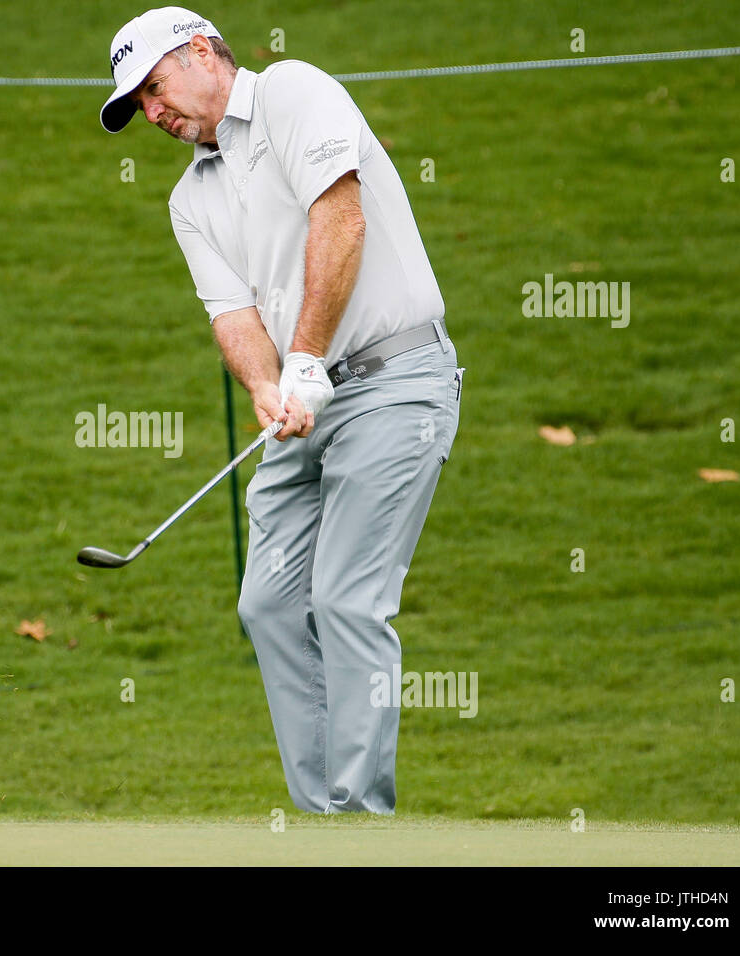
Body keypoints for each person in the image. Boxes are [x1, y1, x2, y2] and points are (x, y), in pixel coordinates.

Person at [98, 7, 464, 814]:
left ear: (201, 52)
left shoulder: (295, 92)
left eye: (155, 89)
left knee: (344, 598)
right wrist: (269, 386)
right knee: (266, 602)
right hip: (304, 400)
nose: (153, 114)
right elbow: (231, 315)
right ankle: (323, 819)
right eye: (138, 107)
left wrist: (302, 361)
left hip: (396, 380)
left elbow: (341, 217)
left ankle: (358, 824)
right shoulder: (189, 199)